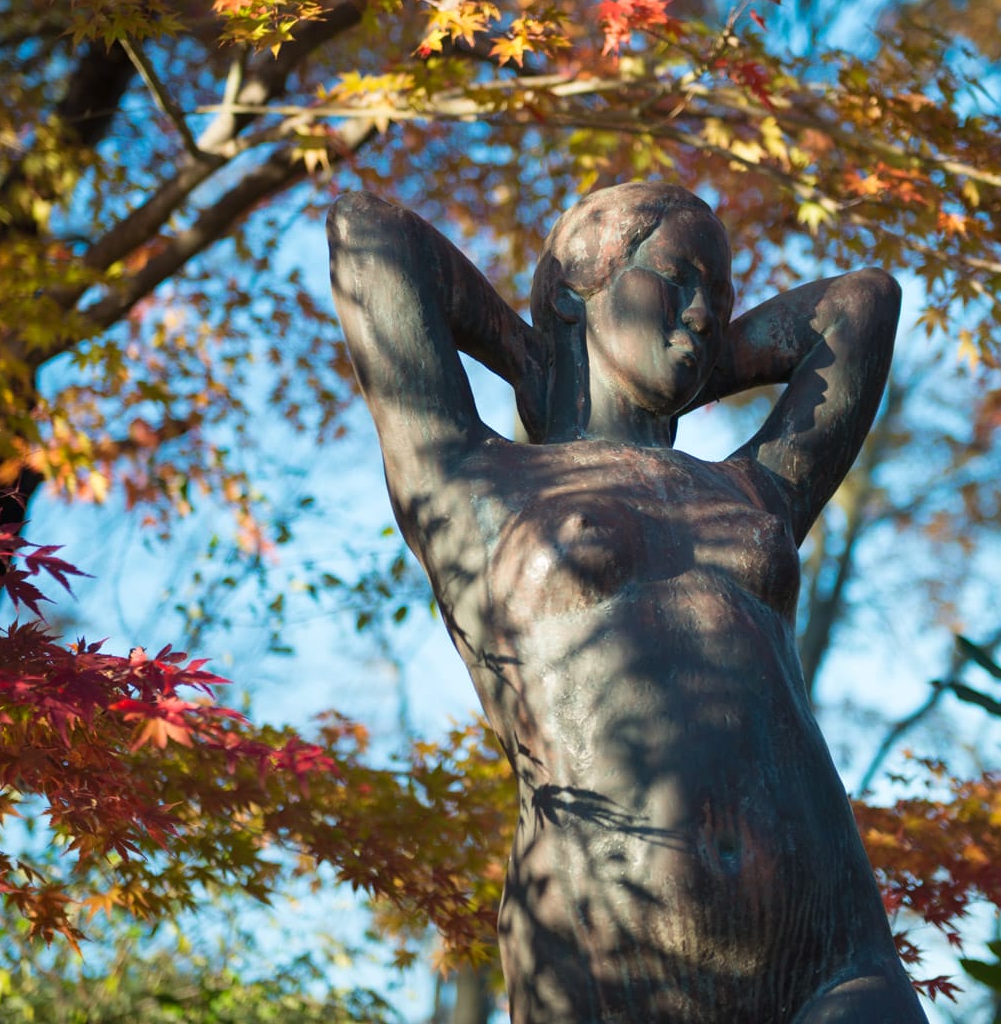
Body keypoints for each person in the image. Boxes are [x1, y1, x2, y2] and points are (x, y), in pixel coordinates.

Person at [326, 182, 924, 1024]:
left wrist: (691, 360)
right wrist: (539, 355)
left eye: (719, 299)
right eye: (676, 280)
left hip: (834, 952)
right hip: (607, 947)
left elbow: (862, 303)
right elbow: (372, 235)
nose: (704, 313)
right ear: (577, 293)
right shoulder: (473, 478)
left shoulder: (753, 488)